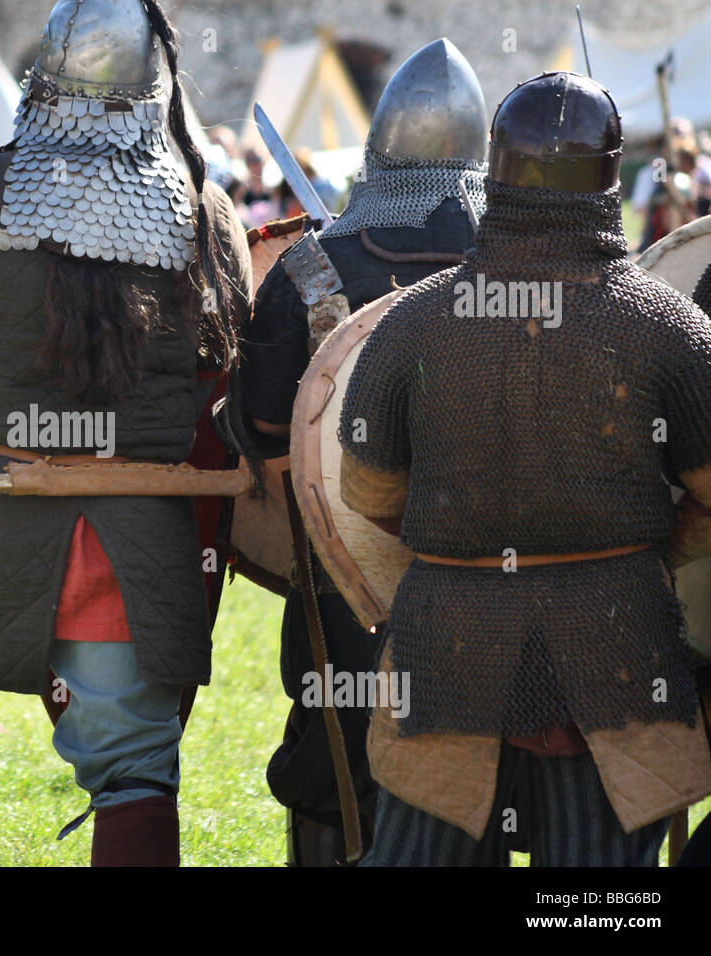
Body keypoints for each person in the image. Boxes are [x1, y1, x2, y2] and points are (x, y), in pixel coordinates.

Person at [0, 0, 251, 867]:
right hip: (132, 546)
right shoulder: (207, 212)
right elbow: (229, 383)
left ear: (43, 76)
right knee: (134, 765)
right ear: (154, 83)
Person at [338, 72, 711, 866]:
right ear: (608, 178)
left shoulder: (416, 319)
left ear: (496, 169)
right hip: (616, 638)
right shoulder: (666, 325)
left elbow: (365, 492)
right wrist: (652, 548)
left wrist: (454, 538)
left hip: (452, 638)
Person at [215, 37, 487, 866]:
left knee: (331, 752)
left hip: (344, 581)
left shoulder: (309, 271)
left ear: (378, 149)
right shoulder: (525, 265)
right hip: (498, 571)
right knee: (485, 758)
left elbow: (262, 437)